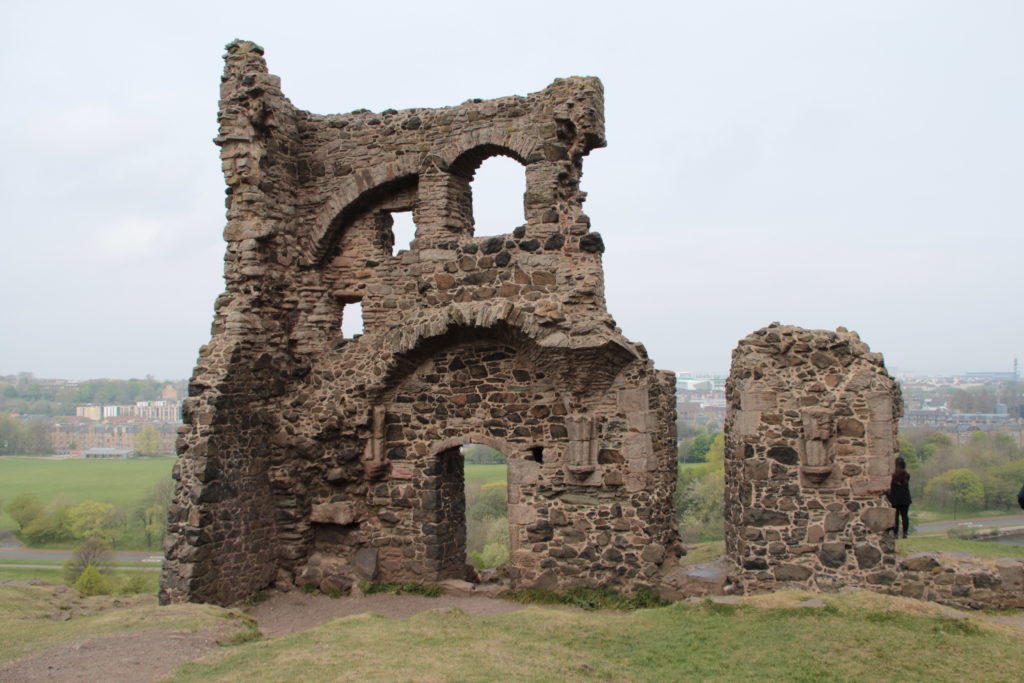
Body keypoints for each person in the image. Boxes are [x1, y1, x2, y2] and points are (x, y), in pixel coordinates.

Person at [889, 456, 912, 538]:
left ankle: (895, 534)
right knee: (905, 516)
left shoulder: (892, 476)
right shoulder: (906, 475)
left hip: (894, 498)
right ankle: (905, 533)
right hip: (905, 498)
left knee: (895, 517)